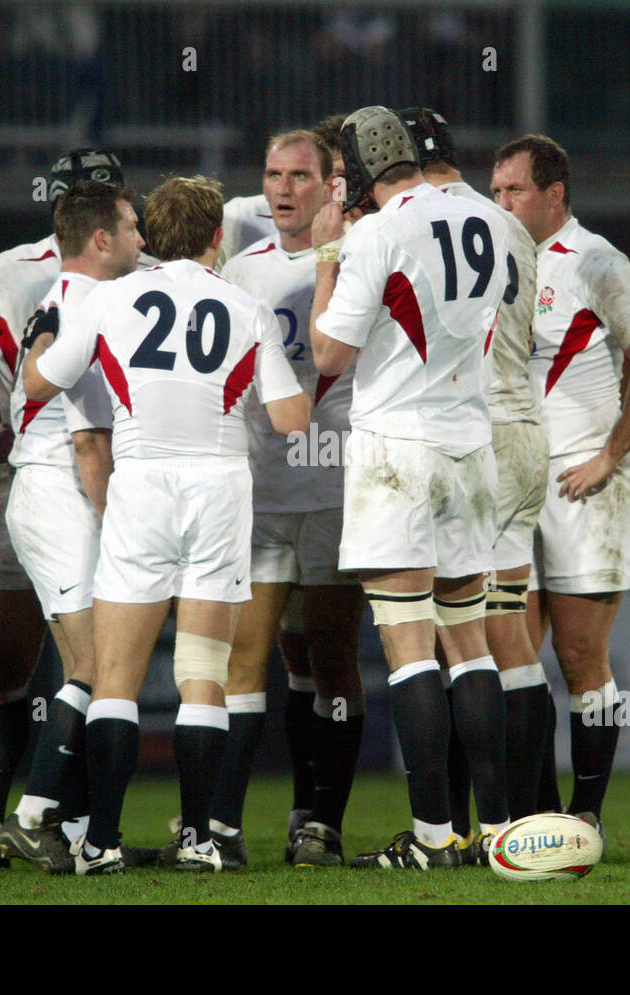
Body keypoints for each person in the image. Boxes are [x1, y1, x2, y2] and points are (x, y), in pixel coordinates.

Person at [22, 175, 310, 874]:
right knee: (203, 675)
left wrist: (44, 334)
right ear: (217, 238)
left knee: (116, 677)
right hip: (219, 486)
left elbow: (38, 384)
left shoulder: (107, 298)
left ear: (151, 236)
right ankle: (200, 839)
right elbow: (290, 420)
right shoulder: (244, 305)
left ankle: (102, 842)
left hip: (141, 483)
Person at [311, 106, 511, 869]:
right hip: (470, 443)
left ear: (359, 172)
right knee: (470, 644)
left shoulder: (374, 233)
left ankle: (433, 836)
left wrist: (330, 246)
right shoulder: (486, 219)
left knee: (409, 649)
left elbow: (329, 351)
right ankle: (493, 830)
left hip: (399, 445)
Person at [0, 150, 128, 869]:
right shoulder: (8, 271)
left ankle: (73, 822)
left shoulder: (142, 265)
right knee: (12, 656)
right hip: (43, 473)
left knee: (102, 659)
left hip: (109, 469)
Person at [491, 134, 630, 834]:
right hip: (513, 480)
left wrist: (611, 452)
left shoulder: (595, 259)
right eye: (496, 189)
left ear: (555, 195)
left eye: (515, 190)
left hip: (584, 482)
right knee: (512, 653)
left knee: (576, 654)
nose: (501, 202)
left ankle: (587, 814)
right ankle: (538, 815)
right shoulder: (494, 260)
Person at [212, 129, 365, 868]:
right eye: (272, 173)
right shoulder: (238, 271)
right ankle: (224, 827)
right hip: (264, 489)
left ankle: (322, 821)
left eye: (299, 175)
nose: (282, 189)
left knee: (333, 654)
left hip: (335, 485)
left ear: (331, 184)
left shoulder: (361, 255)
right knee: (264, 654)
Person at [399, 108, 550, 849]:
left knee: (454, 638)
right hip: (524, 433)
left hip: (471, 433)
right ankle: (530, 810)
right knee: (506, 638)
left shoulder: (417, 223)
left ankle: (466, 824)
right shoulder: (507, 225)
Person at [0, 180, 147, 872]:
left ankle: (80, 830)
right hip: (59, 492)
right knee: (92, 665)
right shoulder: (91, 305)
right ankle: (32, 814)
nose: (144, 243)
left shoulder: (56, 296)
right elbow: (88, 440)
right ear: (103, 239)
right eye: (134, 229)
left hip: (46, 490)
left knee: (85, 666)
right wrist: (122, 524)